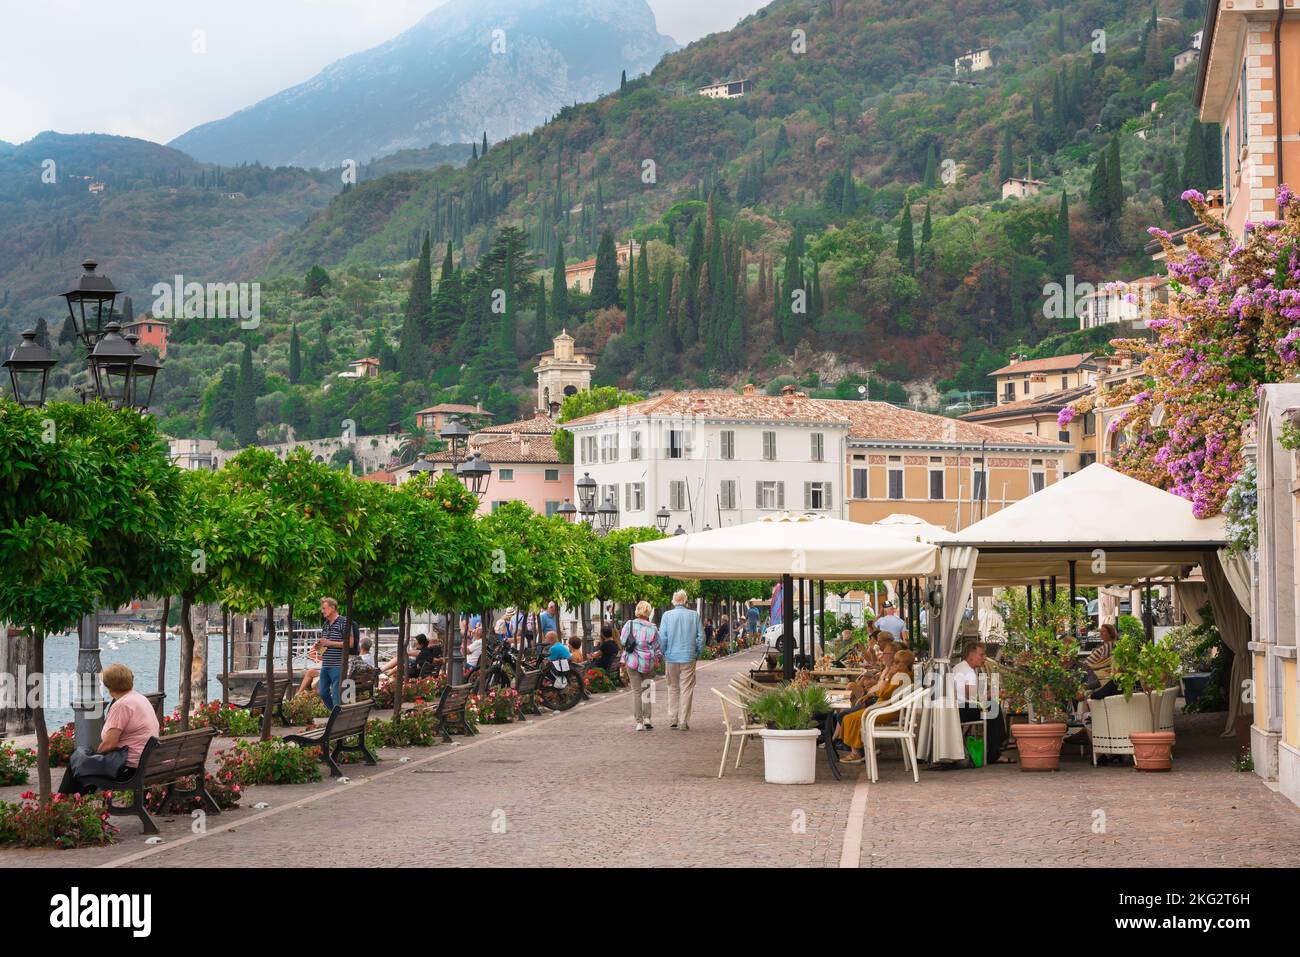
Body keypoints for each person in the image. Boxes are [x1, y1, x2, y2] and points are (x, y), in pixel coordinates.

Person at [59, 664, 160, 795]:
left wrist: (95, 756)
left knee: (78, 759)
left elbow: (109, 744)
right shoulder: (140, 698)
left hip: (128, 767)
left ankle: (63, 801)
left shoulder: (122, 705)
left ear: (108, 686)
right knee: (84, 761)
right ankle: (74, 802)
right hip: (147, 762)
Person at [837, 650, 916, 764]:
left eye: (897, 662)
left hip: (890, 710)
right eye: (895, 661)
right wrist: (871, 694)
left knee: (851, 718)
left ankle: (856, 754)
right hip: (888, 708)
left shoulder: (900, 677)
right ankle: (860, 750)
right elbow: (884, 693)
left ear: (905, 664)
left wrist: (888, 676)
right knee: (850, 716)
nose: (894, 664)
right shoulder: (904, 675)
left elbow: (884, 693)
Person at [952, 640, 1010, 765]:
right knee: (993, 709)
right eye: (981, 655)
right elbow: (973, 698)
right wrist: (994, 694)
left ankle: (998, 747)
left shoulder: (960, 667)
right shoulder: (968, 672)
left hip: (956, 708)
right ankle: (995, 752)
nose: (984, 658)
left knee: (992, 708)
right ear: (971, 656)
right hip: (962, 710)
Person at [658, 589, 704, 730]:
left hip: (672, 657)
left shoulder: (667, 615)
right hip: (689, 657)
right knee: (687, 688)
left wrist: (665, 652)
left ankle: (673, 718)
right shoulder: (694, 615)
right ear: (685, 601)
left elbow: (663, 638)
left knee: (672, 687)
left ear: (673, 601)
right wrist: (698, 652)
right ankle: (683, 721)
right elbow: (701, 637)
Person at [620, 600, 663, 731]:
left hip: (632, 661)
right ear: (648, 611)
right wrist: (658, 658)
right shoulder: (653, 627)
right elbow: (657, 646)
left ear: (637, 610)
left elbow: (623, 640)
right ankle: (648, 718)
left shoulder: (630, 624)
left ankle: (639, 722)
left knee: (637, 692)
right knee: (647, 690)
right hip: (647, 662)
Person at [317, 597, 352, 711]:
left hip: (338, 665)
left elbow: (350, 644)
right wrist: (319, 648)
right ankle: (335, 714)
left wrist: (329, 643)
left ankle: (337, 719)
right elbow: (325, 643)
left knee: (337, 696)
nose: (322, 611)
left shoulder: (344, 622)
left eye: (324, 608)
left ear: (333, 608)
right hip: (326, 664)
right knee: (322, 692)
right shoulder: (325, 624)